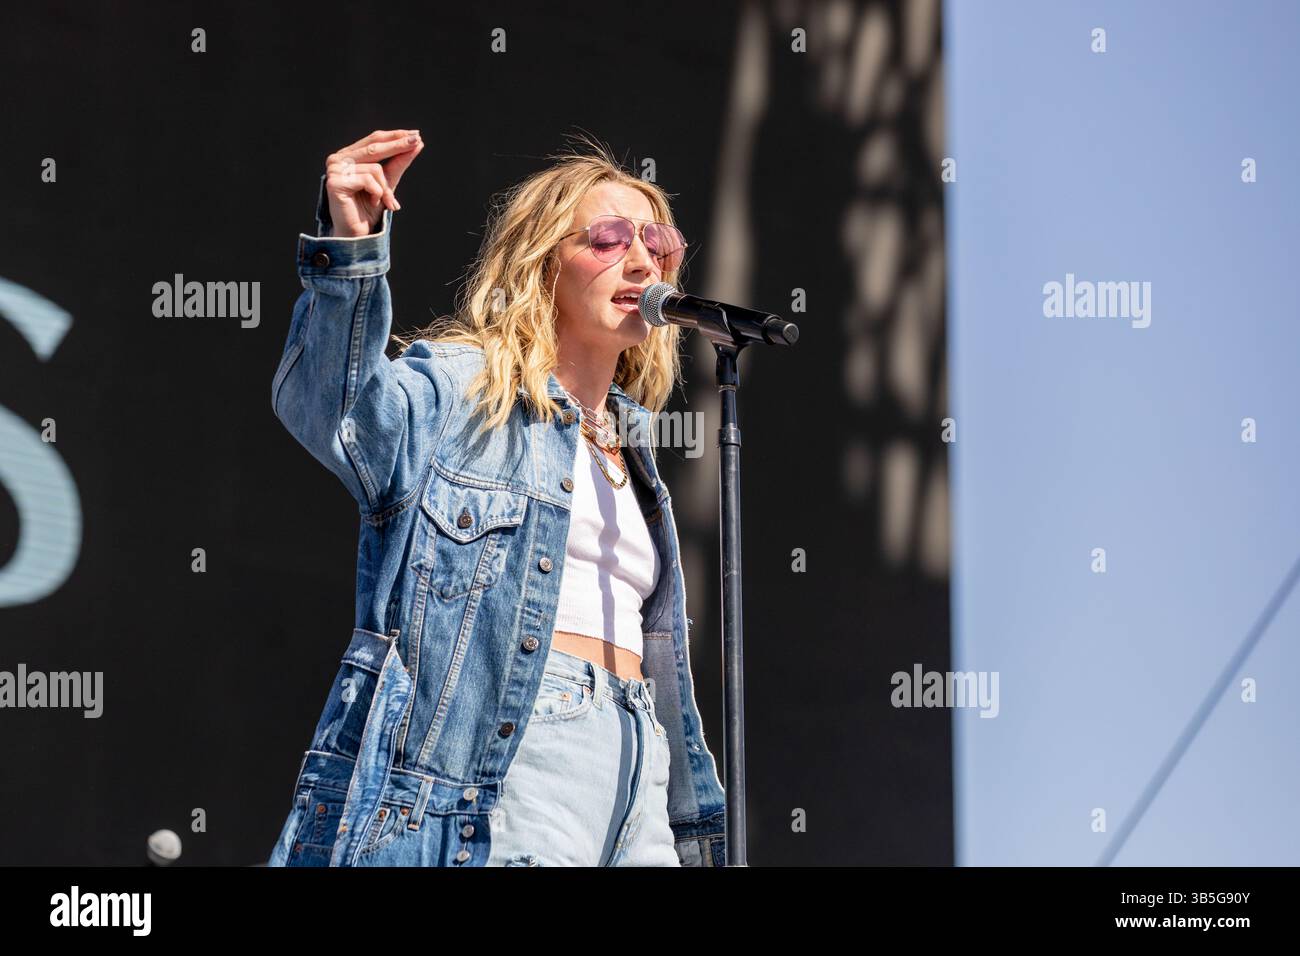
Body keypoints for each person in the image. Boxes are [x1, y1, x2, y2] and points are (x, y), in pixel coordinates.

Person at [265, 129, 727, 867]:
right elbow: (340, 413)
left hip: (642, 762)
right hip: (528, 742)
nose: (641, 259)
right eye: (608, 238)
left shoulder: (635, 452)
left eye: (658, 241)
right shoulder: (463, 390)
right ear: (542, 263)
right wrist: (348, 251)